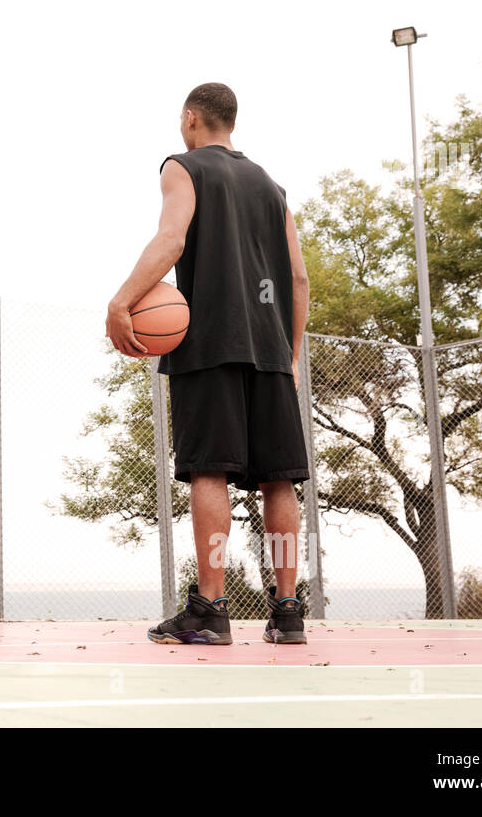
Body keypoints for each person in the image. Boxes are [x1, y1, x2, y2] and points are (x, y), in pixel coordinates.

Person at [104, 82, 312, 645]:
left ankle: (212, 608)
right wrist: (289, 358)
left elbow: (171, 239)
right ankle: (289, 610)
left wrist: (122, 301)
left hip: (212, 344)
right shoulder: (272, 185)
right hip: (271, 351)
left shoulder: (184, 167)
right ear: (233, 123)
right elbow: (296, 278)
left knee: (210, 470)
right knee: (279, 479)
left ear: (191, 117)